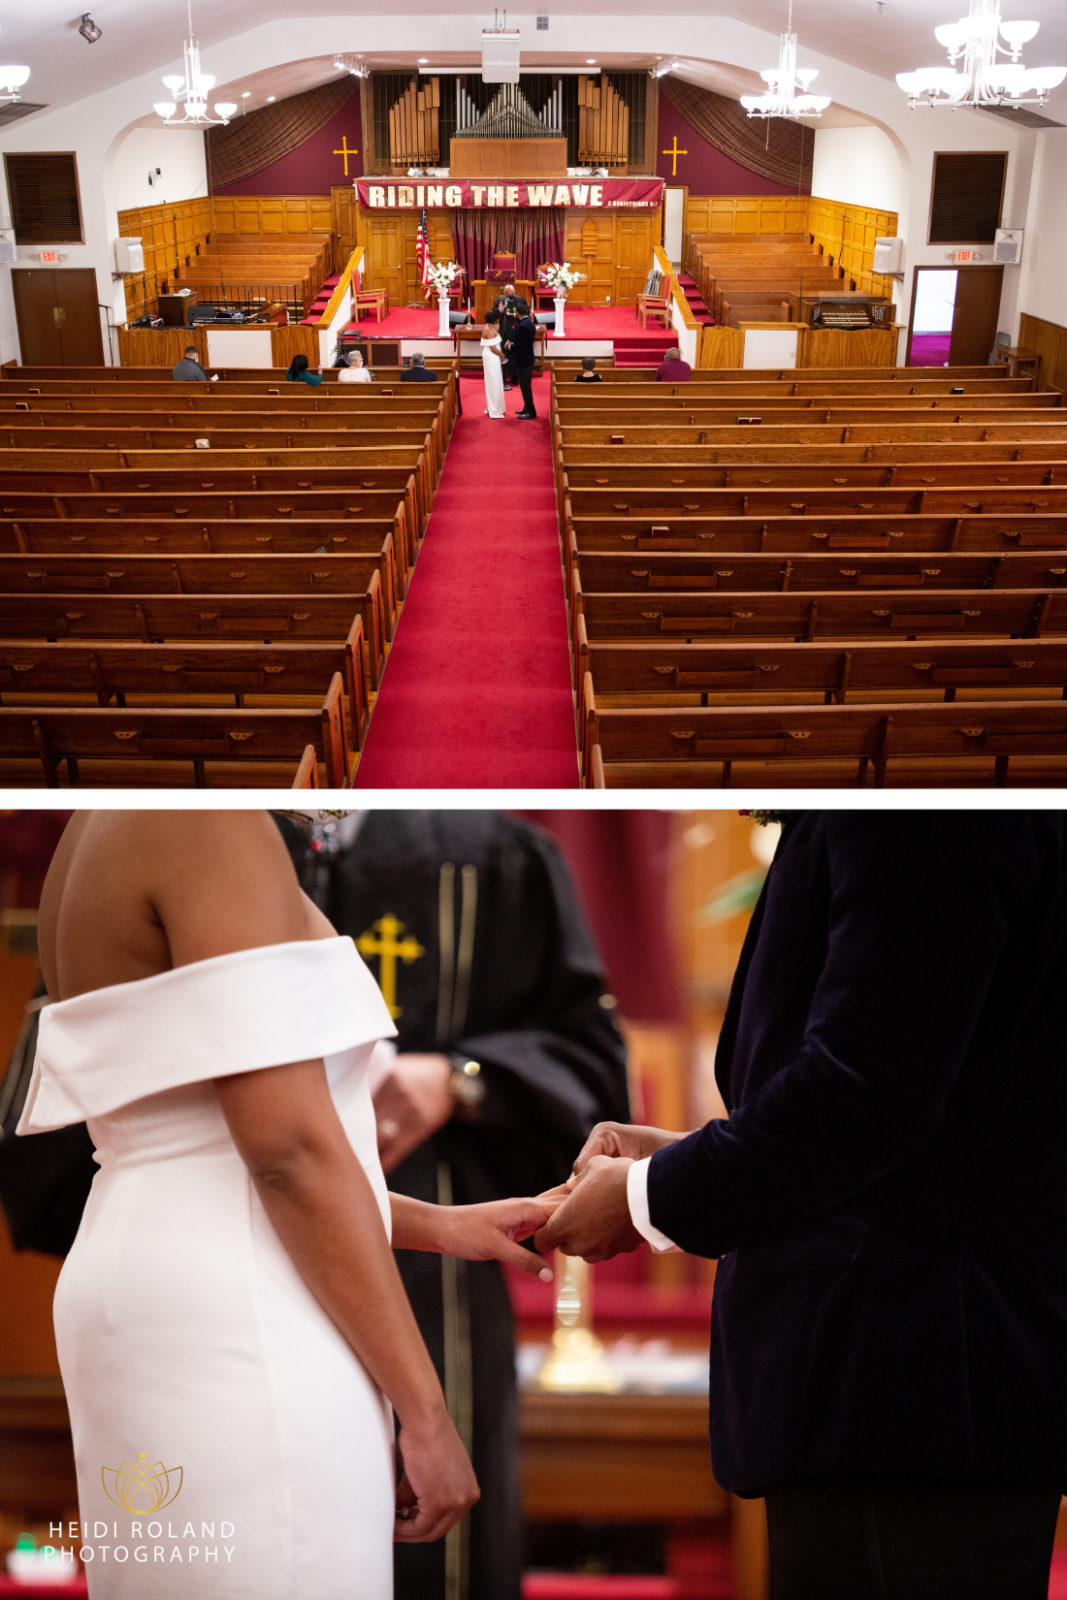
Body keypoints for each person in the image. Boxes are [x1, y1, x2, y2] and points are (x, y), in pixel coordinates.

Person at [15, 811, 558, 1600]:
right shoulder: (210, 825)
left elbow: (198, 1143)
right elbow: (287, 1154)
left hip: (146, 1264)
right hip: (240, 1307)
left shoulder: (99, 824)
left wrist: (440, 1224)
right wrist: (427, 1413)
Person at [538, 810, 1067, 1600]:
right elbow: (946, 1108)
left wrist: (650, 1197)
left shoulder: (919, 799)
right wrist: (686, 1156)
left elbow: (863, 1095)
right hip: (913, 1382)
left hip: (907, 1387)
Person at [287, 810, 629, 1600]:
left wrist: (465, 1078)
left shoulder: (491, 855)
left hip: (435, 1269)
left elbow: (592, 1077)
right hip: (253, 1253)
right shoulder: (230, 841)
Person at [509, 301, 538, 419]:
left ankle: (531, 412)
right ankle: (526, 408)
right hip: (528, 358)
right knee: (525, 386)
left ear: (517, 313)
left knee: (525, 387)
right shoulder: (528, 322)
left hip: (524, 360)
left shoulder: (522, 326)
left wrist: (510, 345)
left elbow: (521, 346)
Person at [479, 309, 506, 419]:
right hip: (491, 357)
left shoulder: (491, 327)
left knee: (496, 382)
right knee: (493, 383)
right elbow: (493, 348)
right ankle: (494, 410)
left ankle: (494, 407)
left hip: (492, 357)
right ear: (495, 320)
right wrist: (502, 355)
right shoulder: (488, 330)